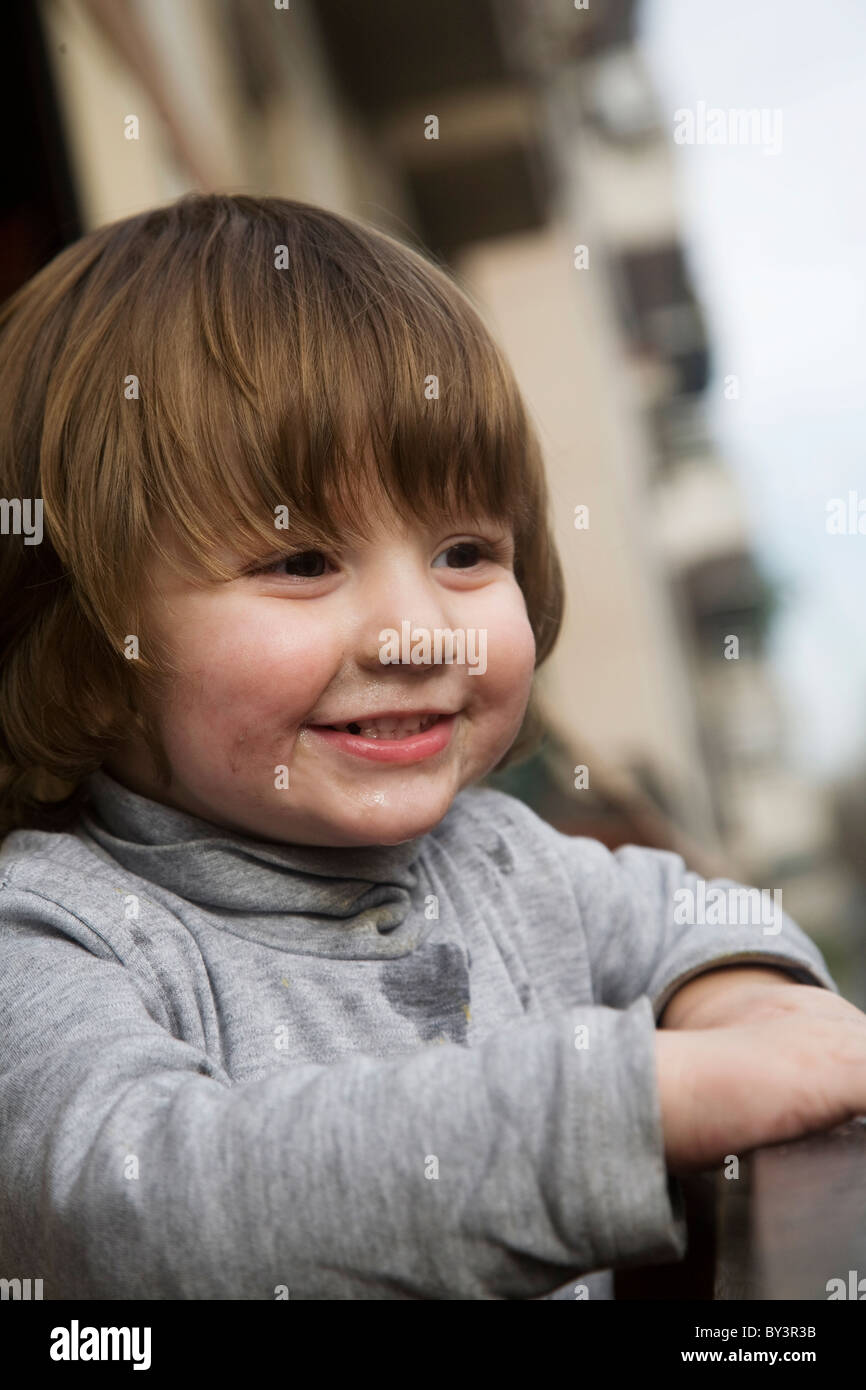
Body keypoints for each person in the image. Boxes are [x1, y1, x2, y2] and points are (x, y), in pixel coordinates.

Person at [0, 193, 863, 1301]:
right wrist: (641, 1101)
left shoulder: (499, 859)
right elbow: (139, 1209)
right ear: (87, 630)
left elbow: (694, 915)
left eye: (464, 550)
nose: (416, 632)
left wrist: (749, 1004)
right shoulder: (54, 934)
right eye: (300, 562)